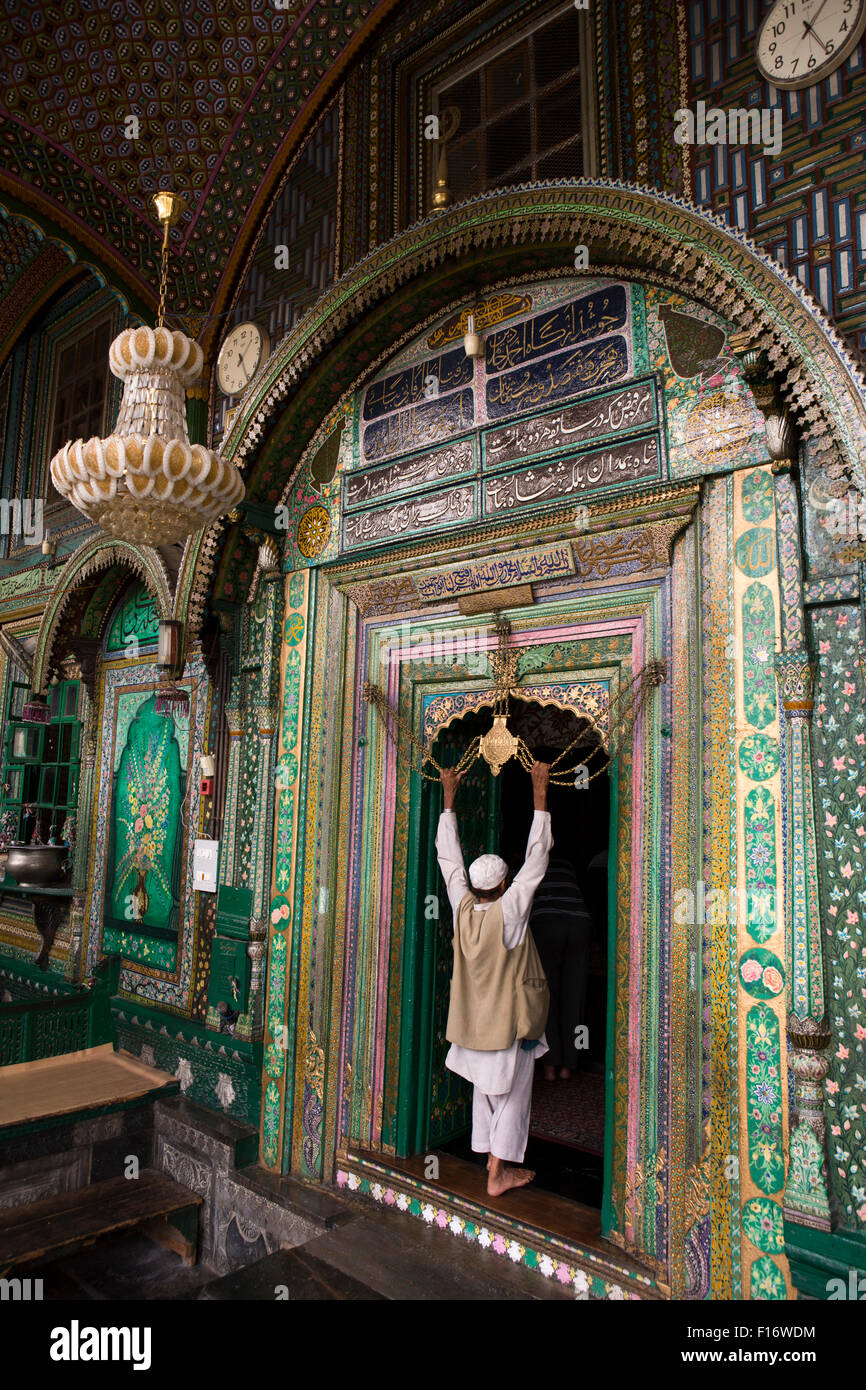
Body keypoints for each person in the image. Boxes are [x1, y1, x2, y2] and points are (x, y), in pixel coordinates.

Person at [436, 761, 552, 1196]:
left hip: (471, 1028)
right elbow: (536, 859)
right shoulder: (510, 912)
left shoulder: (462, 907)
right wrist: (540, 792)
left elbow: (449, 860)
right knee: (513, 1097)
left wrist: (449, 796)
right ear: (504, 884)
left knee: (485, 1093)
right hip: (508, 1024)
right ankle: (499, 1173)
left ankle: (489, 1158)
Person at [529, 853, 593, 1081]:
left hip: (546, 925)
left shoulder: (530, 861)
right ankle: (570, 1065)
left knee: (546, 996)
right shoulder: (567, 862)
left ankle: (550, 1066)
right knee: (574, 997)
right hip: (579, 924)